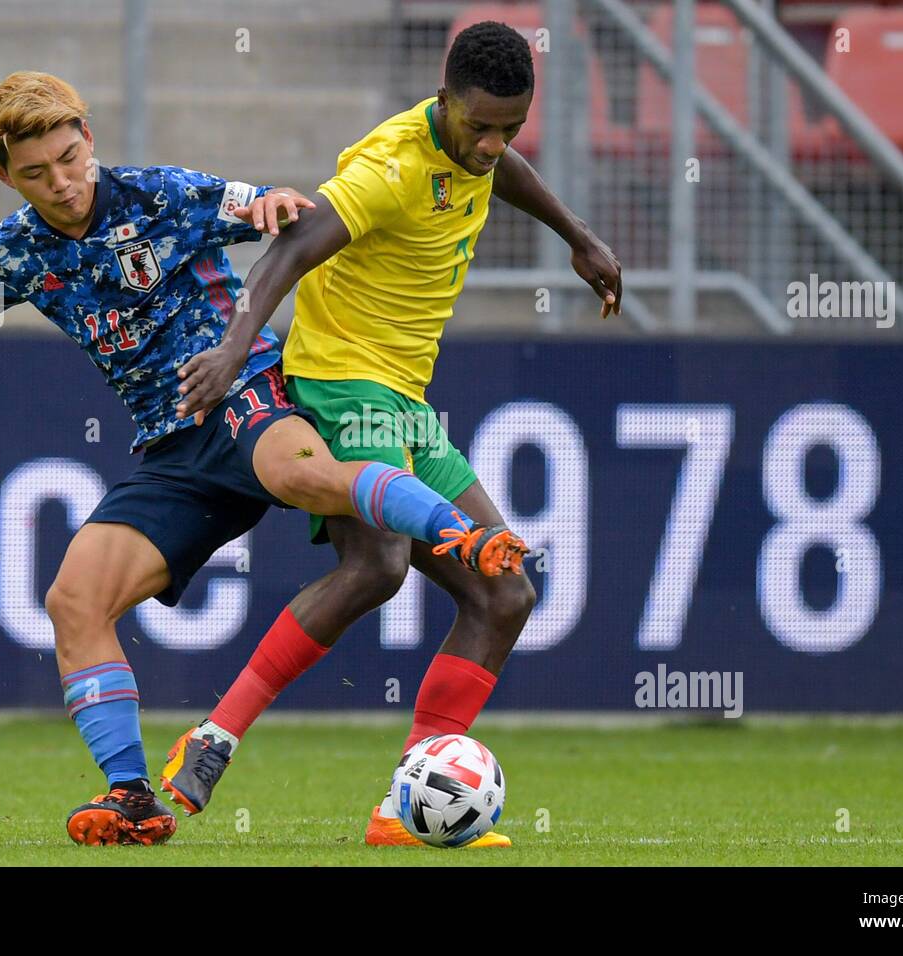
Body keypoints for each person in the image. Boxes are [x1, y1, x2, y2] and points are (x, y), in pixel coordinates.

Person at [0, 71, 528, 847]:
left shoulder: (162, 195)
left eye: (69, 158)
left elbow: (276, 212)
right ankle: (132, 797)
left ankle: (457, 531)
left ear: (89, 139)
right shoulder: (18, 249)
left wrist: (268, 203)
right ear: (4, 176)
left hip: (246, 393)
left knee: (304, 477)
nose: (61, 184)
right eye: (35, 173)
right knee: (74, 600)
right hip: (172, 451)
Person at [162, 22, 622, 848]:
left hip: (405, 398)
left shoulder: (476, 146)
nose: (491, 144)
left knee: (504, 591)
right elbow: (295, 243)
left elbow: (501, 169)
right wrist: (234, 348)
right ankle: (213, 739)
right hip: (343, 378)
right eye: (478, 125)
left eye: (509, 127)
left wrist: (577, 235)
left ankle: (405, 809)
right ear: (442, 100)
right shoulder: (390, 168)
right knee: (377, 564)